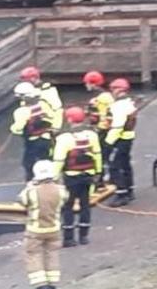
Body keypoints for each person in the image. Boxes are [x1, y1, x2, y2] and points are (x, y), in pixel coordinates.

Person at [53, 106, 102, 248]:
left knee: (67, 207)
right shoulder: (92, 135)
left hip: (71, 177)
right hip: (88, 176)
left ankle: (69, 238)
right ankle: (84, 236)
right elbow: (97, 154)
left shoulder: (64, 139)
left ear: (69, 119)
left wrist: (53, 177)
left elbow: (59, 160)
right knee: (85, 205)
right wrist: (98, 172)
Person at [19, 160, 67, 289]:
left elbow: (23, 200)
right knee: (52, 255)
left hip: (35, 229)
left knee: (33, 255)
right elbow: (64, 200)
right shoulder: (61, 190)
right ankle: (52, 285)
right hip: (54, 228)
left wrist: (30, 185)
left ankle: (41, 286)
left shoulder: (32, 191)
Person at [9, 82, 55, 182]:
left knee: (28, 164)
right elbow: (51, 118)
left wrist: (12, 128)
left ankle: (30, 182)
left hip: (32, 142)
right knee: (47, 160)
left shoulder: (21, 111)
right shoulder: (43, 105)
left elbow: (18, 128)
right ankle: (51, 180)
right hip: (46, 139)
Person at [105, 78, 137, 207]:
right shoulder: (129, 104)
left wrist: (108, 143)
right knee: (125, 164)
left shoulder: (118, 106)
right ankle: (129, 190)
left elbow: (117, 127)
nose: (112, 92)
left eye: (113, 89)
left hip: (119, 139)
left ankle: (122, 193)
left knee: (114, 166)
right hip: (128, 138)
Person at [83, 70, 113, 182]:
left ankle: (100, 178)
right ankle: (110, 174)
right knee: (108, 154)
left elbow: (93, 117)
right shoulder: (108, 96)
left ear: (92, 84)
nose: (86, 85)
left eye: (87, 83)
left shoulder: (96, 100)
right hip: (109, 128)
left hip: (101, 130)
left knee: (98, 154)